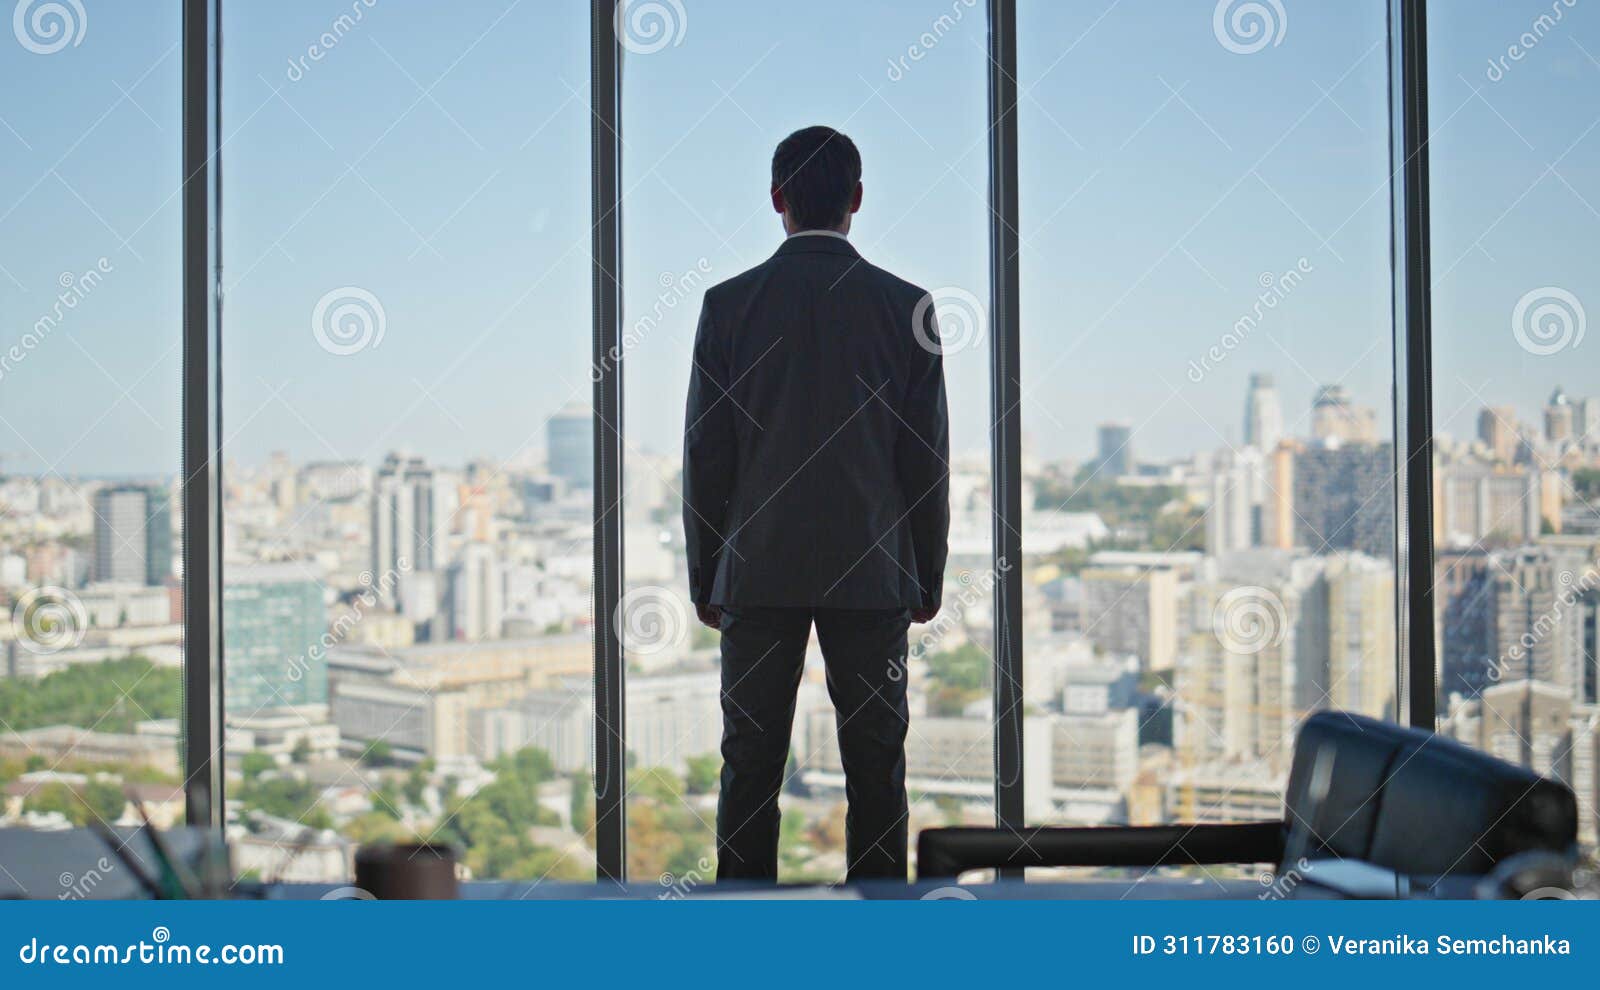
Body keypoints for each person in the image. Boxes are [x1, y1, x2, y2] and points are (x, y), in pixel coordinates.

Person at [682, 125, 950, 882]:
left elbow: (707, 457)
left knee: (750, 771)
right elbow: (924, 463)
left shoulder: (727, 306)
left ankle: (744, 944)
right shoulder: (910, 308)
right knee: (876, 771)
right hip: (872, 572)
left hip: (758, 571)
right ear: (858, 200)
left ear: (777, 200)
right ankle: (877, 947)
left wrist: (709, 579)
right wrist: (924, 579)